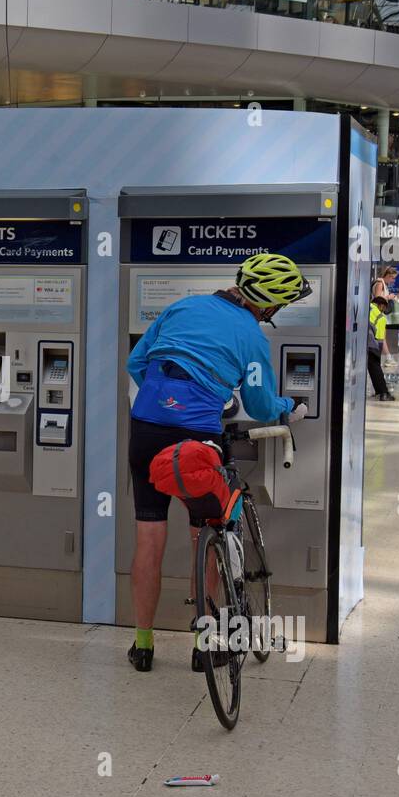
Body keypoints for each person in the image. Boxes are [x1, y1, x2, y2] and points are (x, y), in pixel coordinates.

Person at [125, 254, 310, 673]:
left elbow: (135, 364)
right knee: (204, 540)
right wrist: (289, 407)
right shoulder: (252, 336)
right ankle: (202, 646)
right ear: (267, 306)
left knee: (149, 539)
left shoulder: (182, 307)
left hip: (146, 430)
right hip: (198, 440)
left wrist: (167, 403)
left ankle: (143, 645)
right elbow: (262, 405)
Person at [368, 296, 394, 401]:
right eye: (384, 308)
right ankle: (383, 393)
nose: (384, 310)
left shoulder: (365, 308)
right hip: (370, 345)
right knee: (376, 369)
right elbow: (379, 338)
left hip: (355, 343)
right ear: (381, 305)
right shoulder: (381, 317)